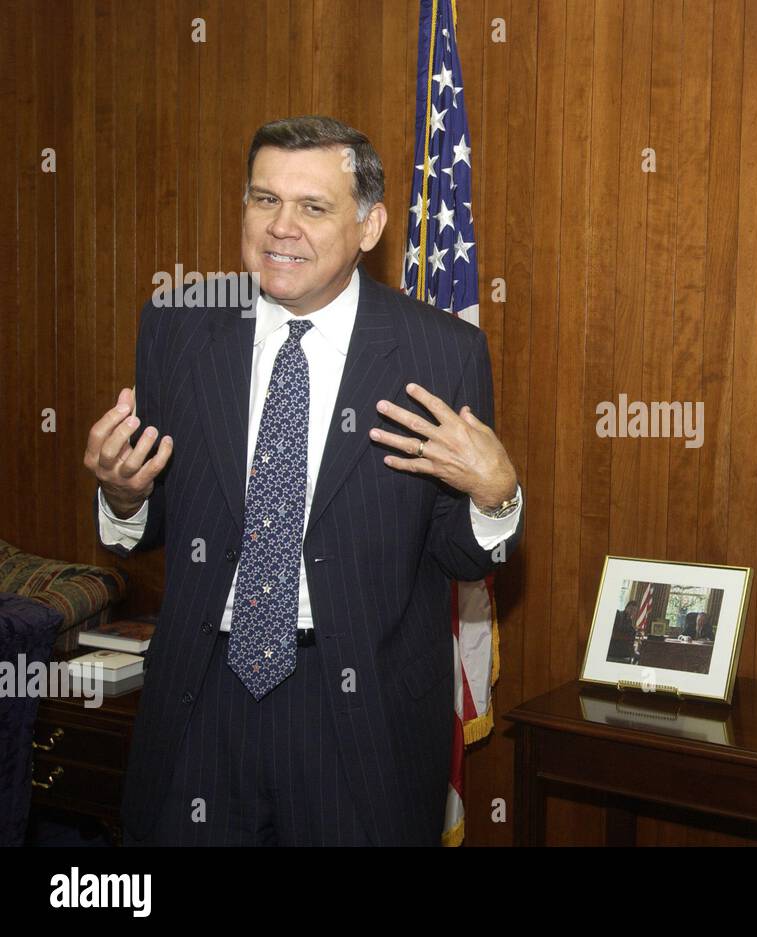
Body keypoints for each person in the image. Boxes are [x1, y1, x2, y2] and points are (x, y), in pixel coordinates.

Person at [82, 116, 524, 846]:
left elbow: (460, 554)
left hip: (360, 715)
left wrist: (496, 495)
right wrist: (123, 494)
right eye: (263, 200)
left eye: (313, 207)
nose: (281, 228)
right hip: (201, 702)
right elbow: (151, 514)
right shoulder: (177, 323)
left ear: (370, 224)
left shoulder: (440, 351)